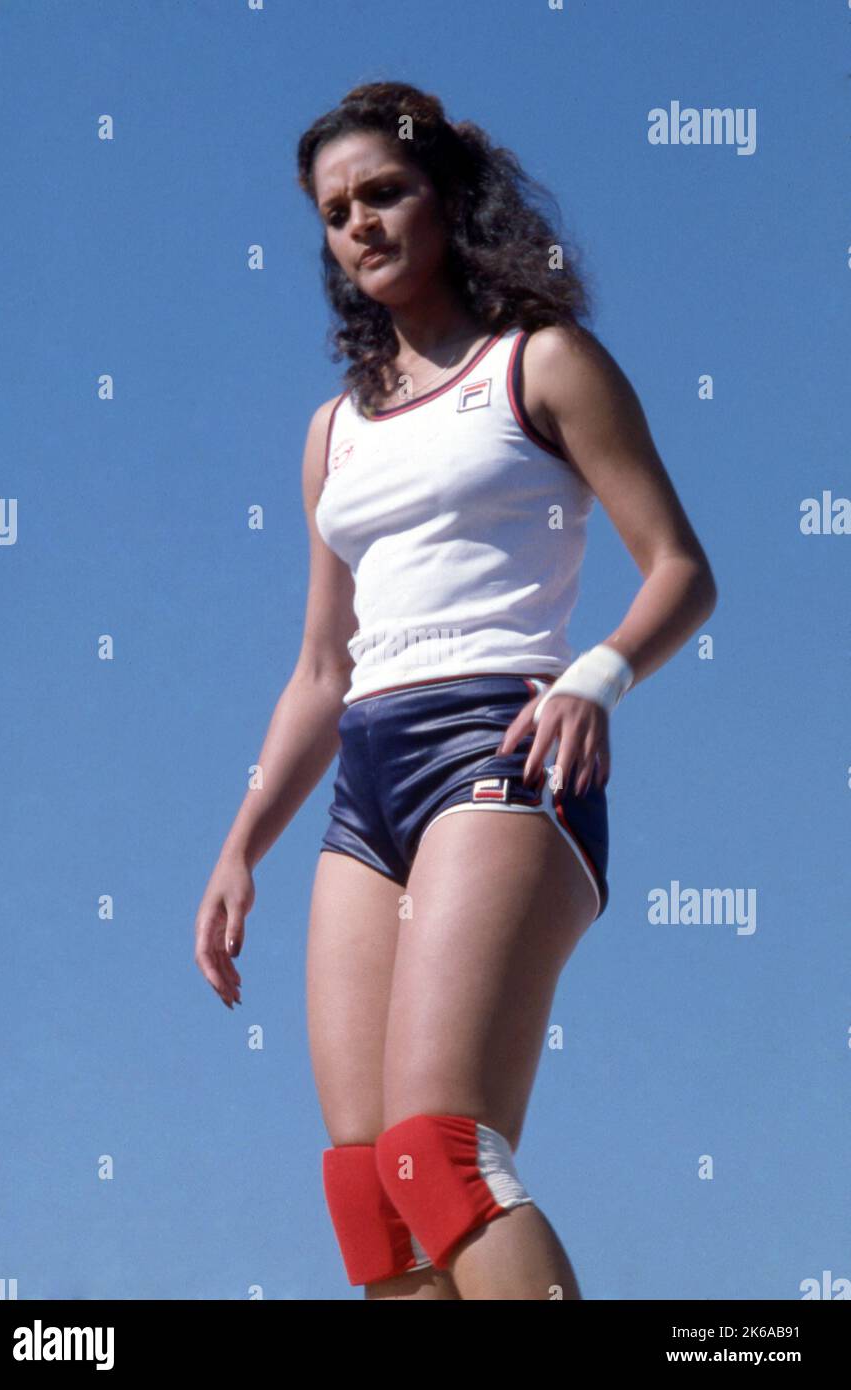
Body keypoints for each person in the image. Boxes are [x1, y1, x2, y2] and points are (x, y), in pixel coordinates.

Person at [194, 81, 717, 1301]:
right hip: (366, 780)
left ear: (449, 197)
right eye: (336, 212)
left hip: (504, 744)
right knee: (370, 1193)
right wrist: (240, 845)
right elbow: (322, 667)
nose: (360, 226)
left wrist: (596, 677)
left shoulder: (543, 363)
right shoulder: (333, 433)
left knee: (439, 1153)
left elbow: (682, 570)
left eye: (384, 193)